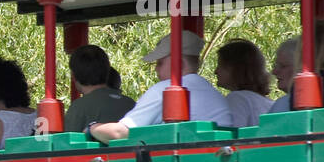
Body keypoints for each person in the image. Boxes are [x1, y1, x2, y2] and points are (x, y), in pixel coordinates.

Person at [88, 31, 231, 143]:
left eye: (160, 63)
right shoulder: (213, 93)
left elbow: (120, 133)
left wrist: (92, 127)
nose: (156, 69)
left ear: (179, 64)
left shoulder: (164, 89)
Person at [63, 44, 134, 133]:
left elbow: (66, 144)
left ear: (73, 75)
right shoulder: (131, 104)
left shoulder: (79, 108)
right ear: (108, 70)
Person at [214, 38, 273, 128]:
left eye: (220, 65)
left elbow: (230, 136)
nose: (216, 71)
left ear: (235, 69)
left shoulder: (237, 99)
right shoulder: (267, 102)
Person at [266, 36, 298, 113]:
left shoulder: (282, 105)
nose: (274, 72)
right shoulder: (281, 104)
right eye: (276, 66)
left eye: (283, 66)